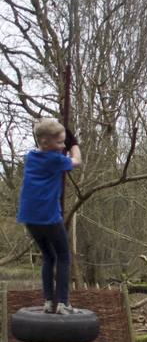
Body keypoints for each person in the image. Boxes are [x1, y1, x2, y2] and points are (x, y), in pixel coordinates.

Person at [17, 118, 82, 315]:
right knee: (64, 257)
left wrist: (62, 142)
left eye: (64, 142)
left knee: (48, 257)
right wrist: (74, 144)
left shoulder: (31, 157)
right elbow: (77, 161)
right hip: (49, 217)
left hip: (29, 217)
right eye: (59, 142)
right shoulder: (54, 159)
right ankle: (63, 303)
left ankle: (48, 301)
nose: (62, 146)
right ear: (44, 142)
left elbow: (52, 150)